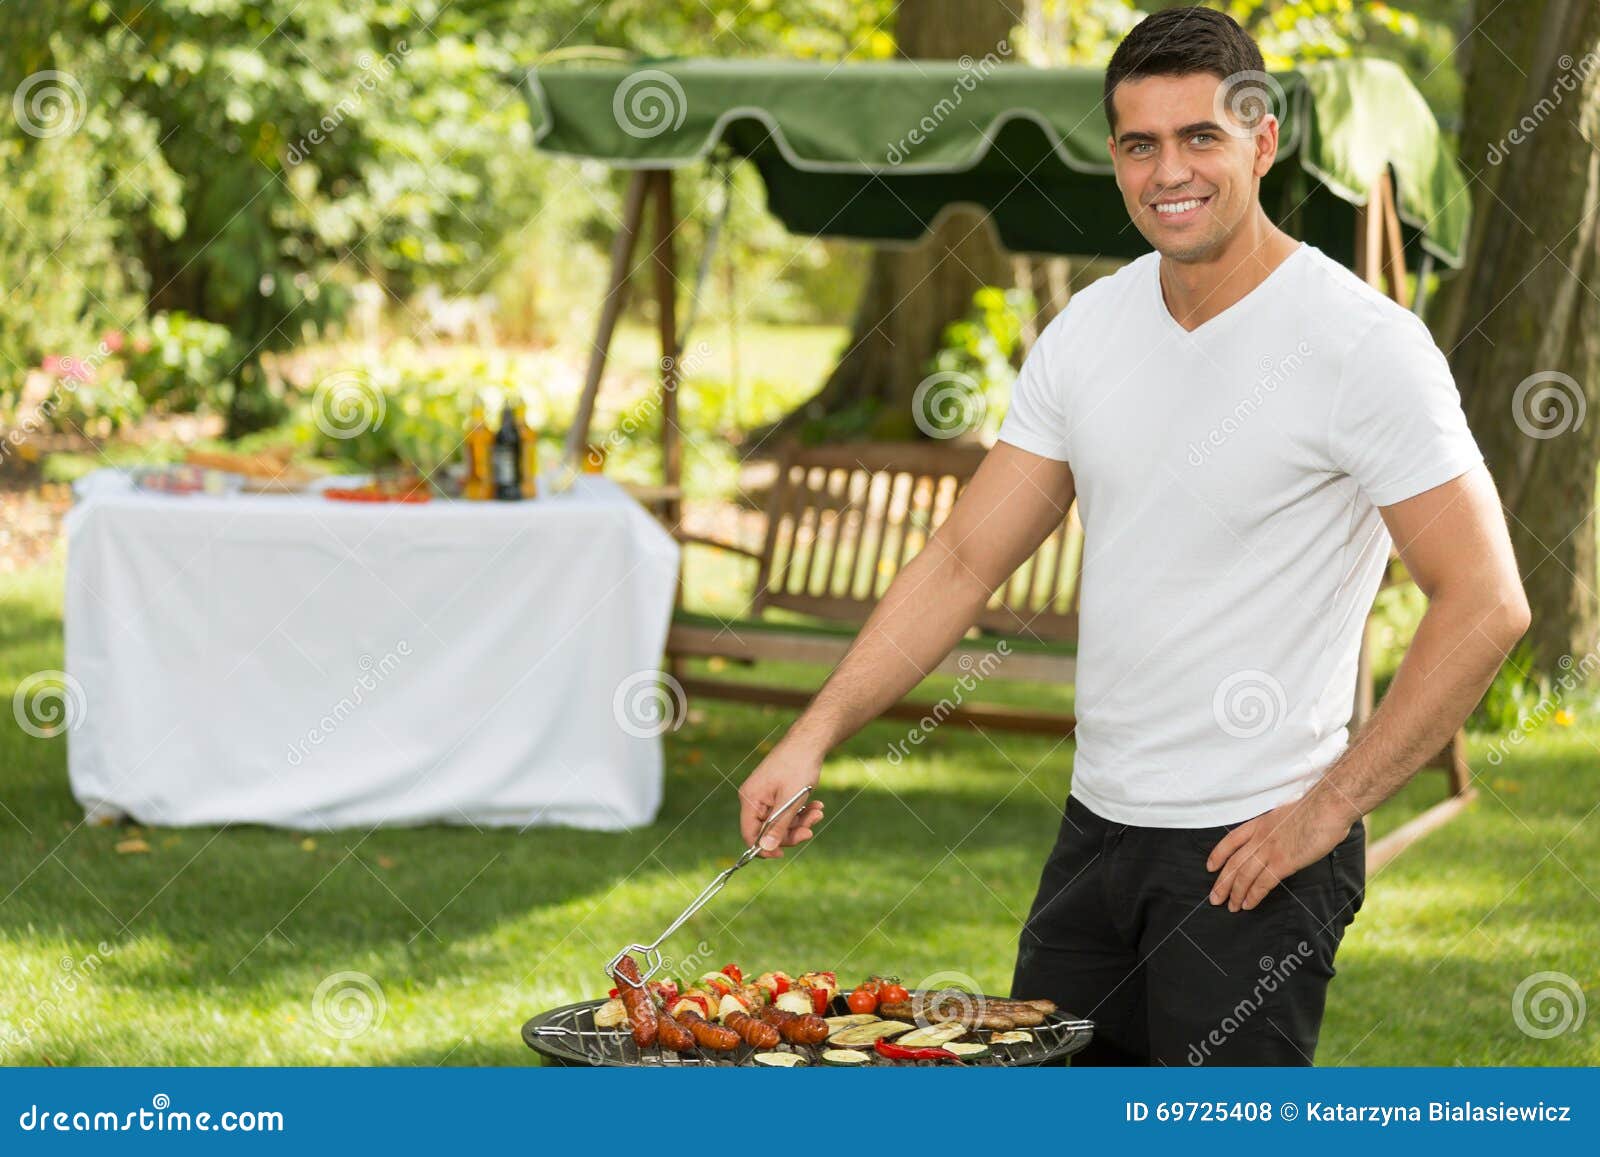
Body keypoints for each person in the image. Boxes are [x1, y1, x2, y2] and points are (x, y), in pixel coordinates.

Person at [735, 6, 1529, 1065]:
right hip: (1093, 837)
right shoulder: (1088, 332)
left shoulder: (1361, 345)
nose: (1170, 170)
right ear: (1114, 157)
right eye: (1140, 144)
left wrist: (1325, 809)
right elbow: (962, 558)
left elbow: (1485, 599)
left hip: (1255, 844)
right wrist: (812, 730)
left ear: (1261, 139)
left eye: (1199, 136)